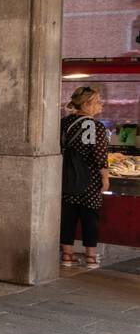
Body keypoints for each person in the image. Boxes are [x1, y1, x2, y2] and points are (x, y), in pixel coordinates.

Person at [60, 85, 110, 269]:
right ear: (87, 104)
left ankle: (67, 255)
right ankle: (90, 258)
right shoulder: (96, 126)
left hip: (66, 177)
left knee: (68, 216)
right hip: (90, 179)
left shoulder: (63, 123)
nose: (101, 104)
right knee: (91, 217)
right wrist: (105, 178)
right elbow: (100, 156)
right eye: (97, 101)